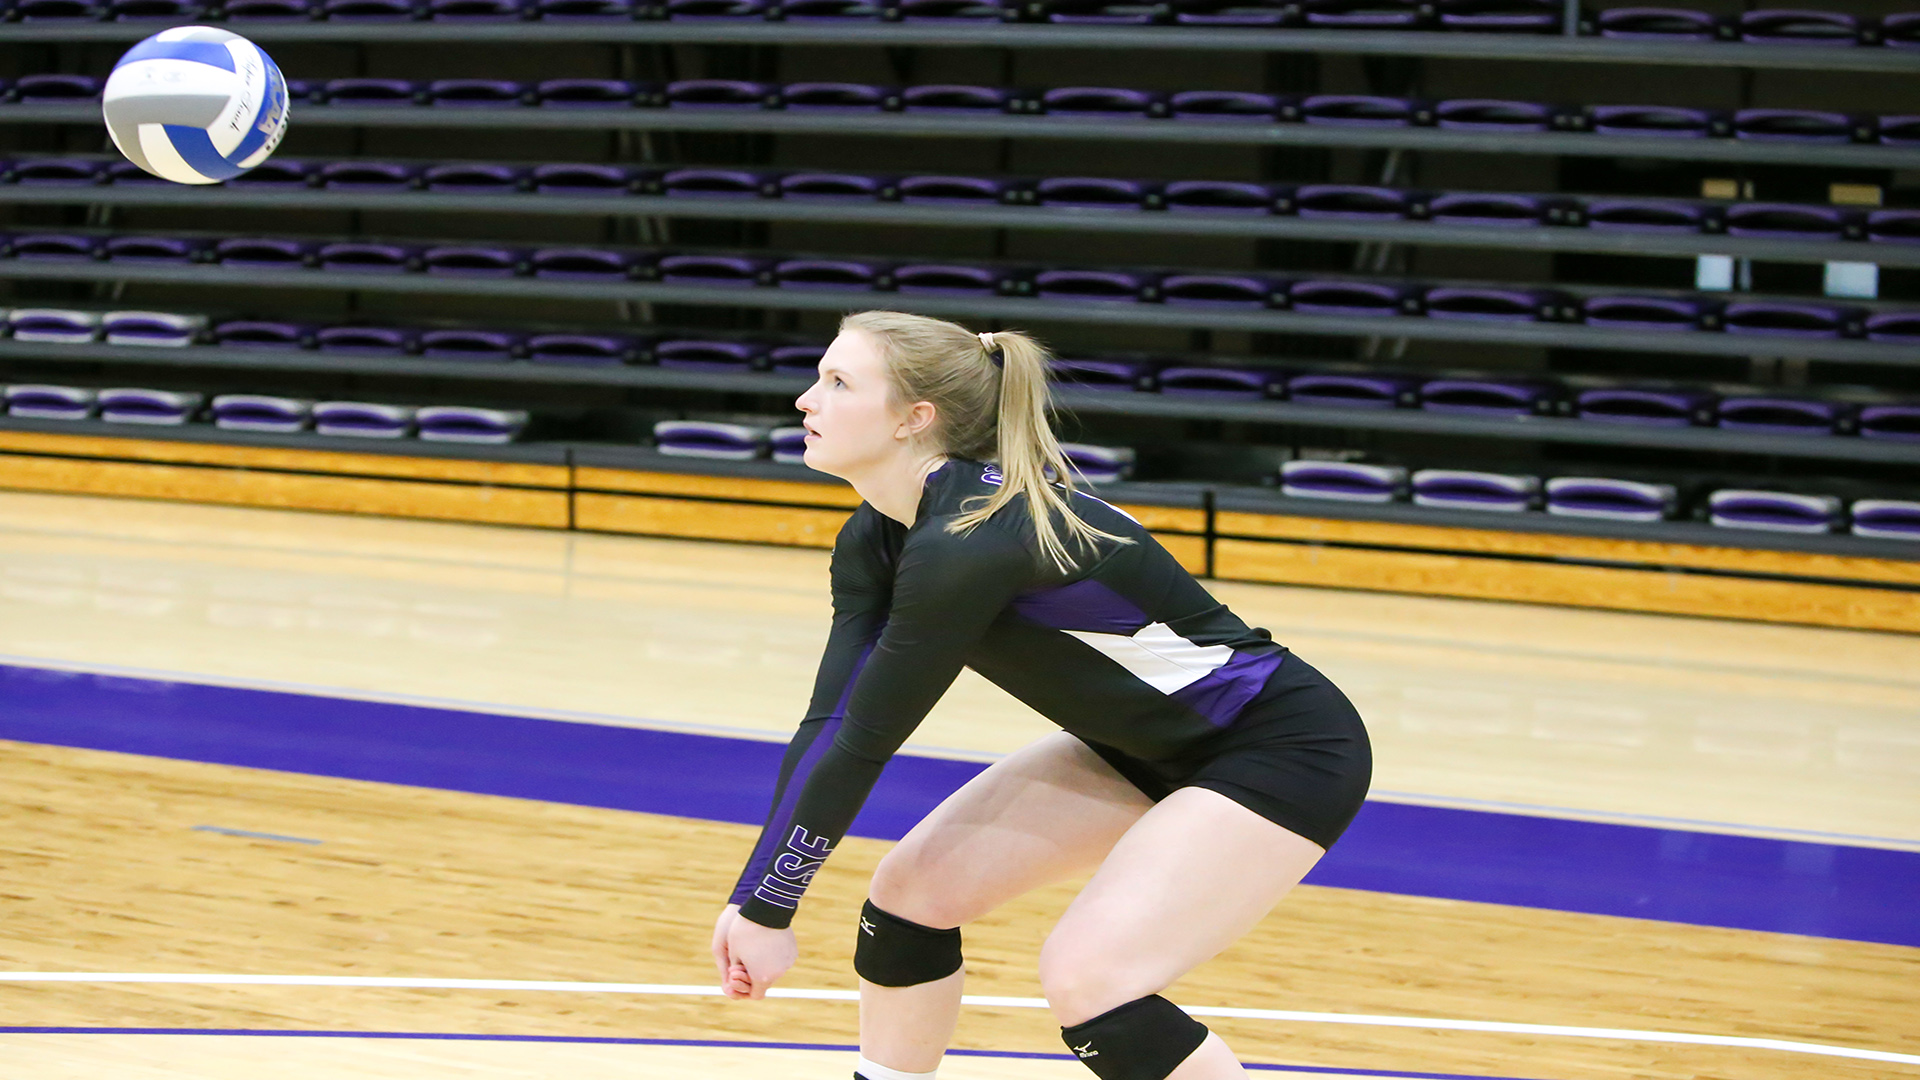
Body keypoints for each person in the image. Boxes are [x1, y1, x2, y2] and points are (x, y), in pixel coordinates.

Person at [710, 310, 1372, 1080]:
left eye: (838, 382)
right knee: (908, 900)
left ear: (913, 419)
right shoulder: (879, 535)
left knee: (1091, 982)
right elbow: (830, 723)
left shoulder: (971, 542)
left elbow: (866, 739)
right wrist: (754, 899)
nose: (805, 399)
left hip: (1280, 748)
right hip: (1136, 747)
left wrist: (770, 910)